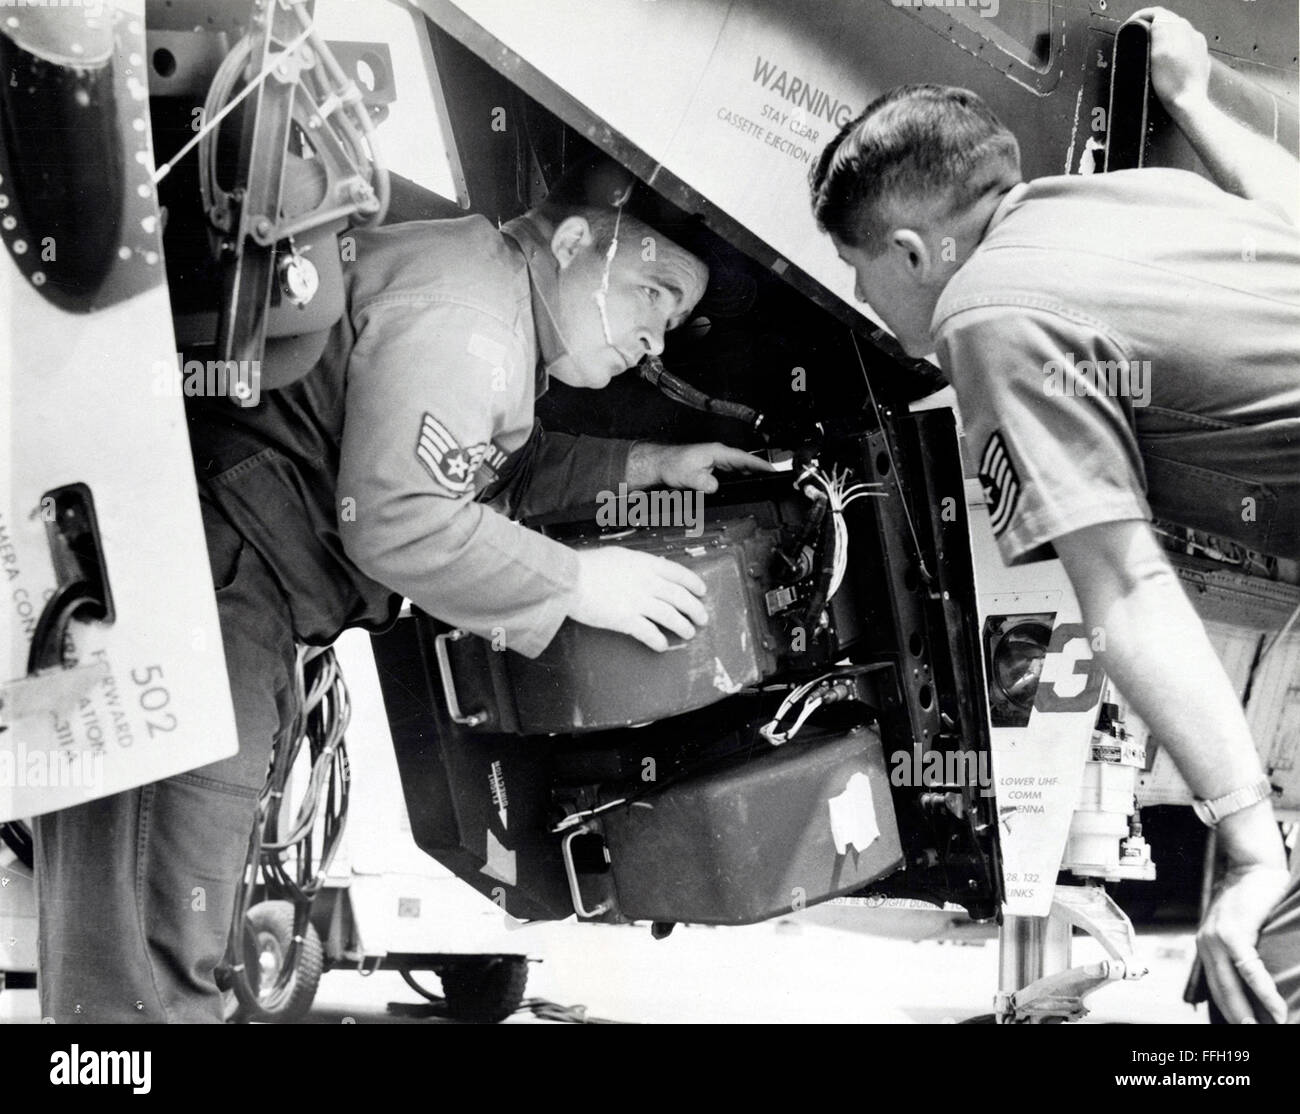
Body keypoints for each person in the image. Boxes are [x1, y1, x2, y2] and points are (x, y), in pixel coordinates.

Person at [33, 161, 771, 1023]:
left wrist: (652, 466)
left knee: (154, 949)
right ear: (573, 242)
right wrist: (578, 583)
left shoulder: (486, 305)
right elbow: (399, 517)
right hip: (203, 598)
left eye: (674, 322)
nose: (657, 339)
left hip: (223, 595)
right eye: (654, 292)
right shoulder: (468, 315)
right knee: (144, 977)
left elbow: (493, 466)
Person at [810, 7, 1299, 1023]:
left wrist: (1250, 845)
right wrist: (1198, 105)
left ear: (909, 250)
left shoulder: (989, 312)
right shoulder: (1137, 200)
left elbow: (1123, 586)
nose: (864, 299)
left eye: (856, 271)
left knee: (1267, 977)